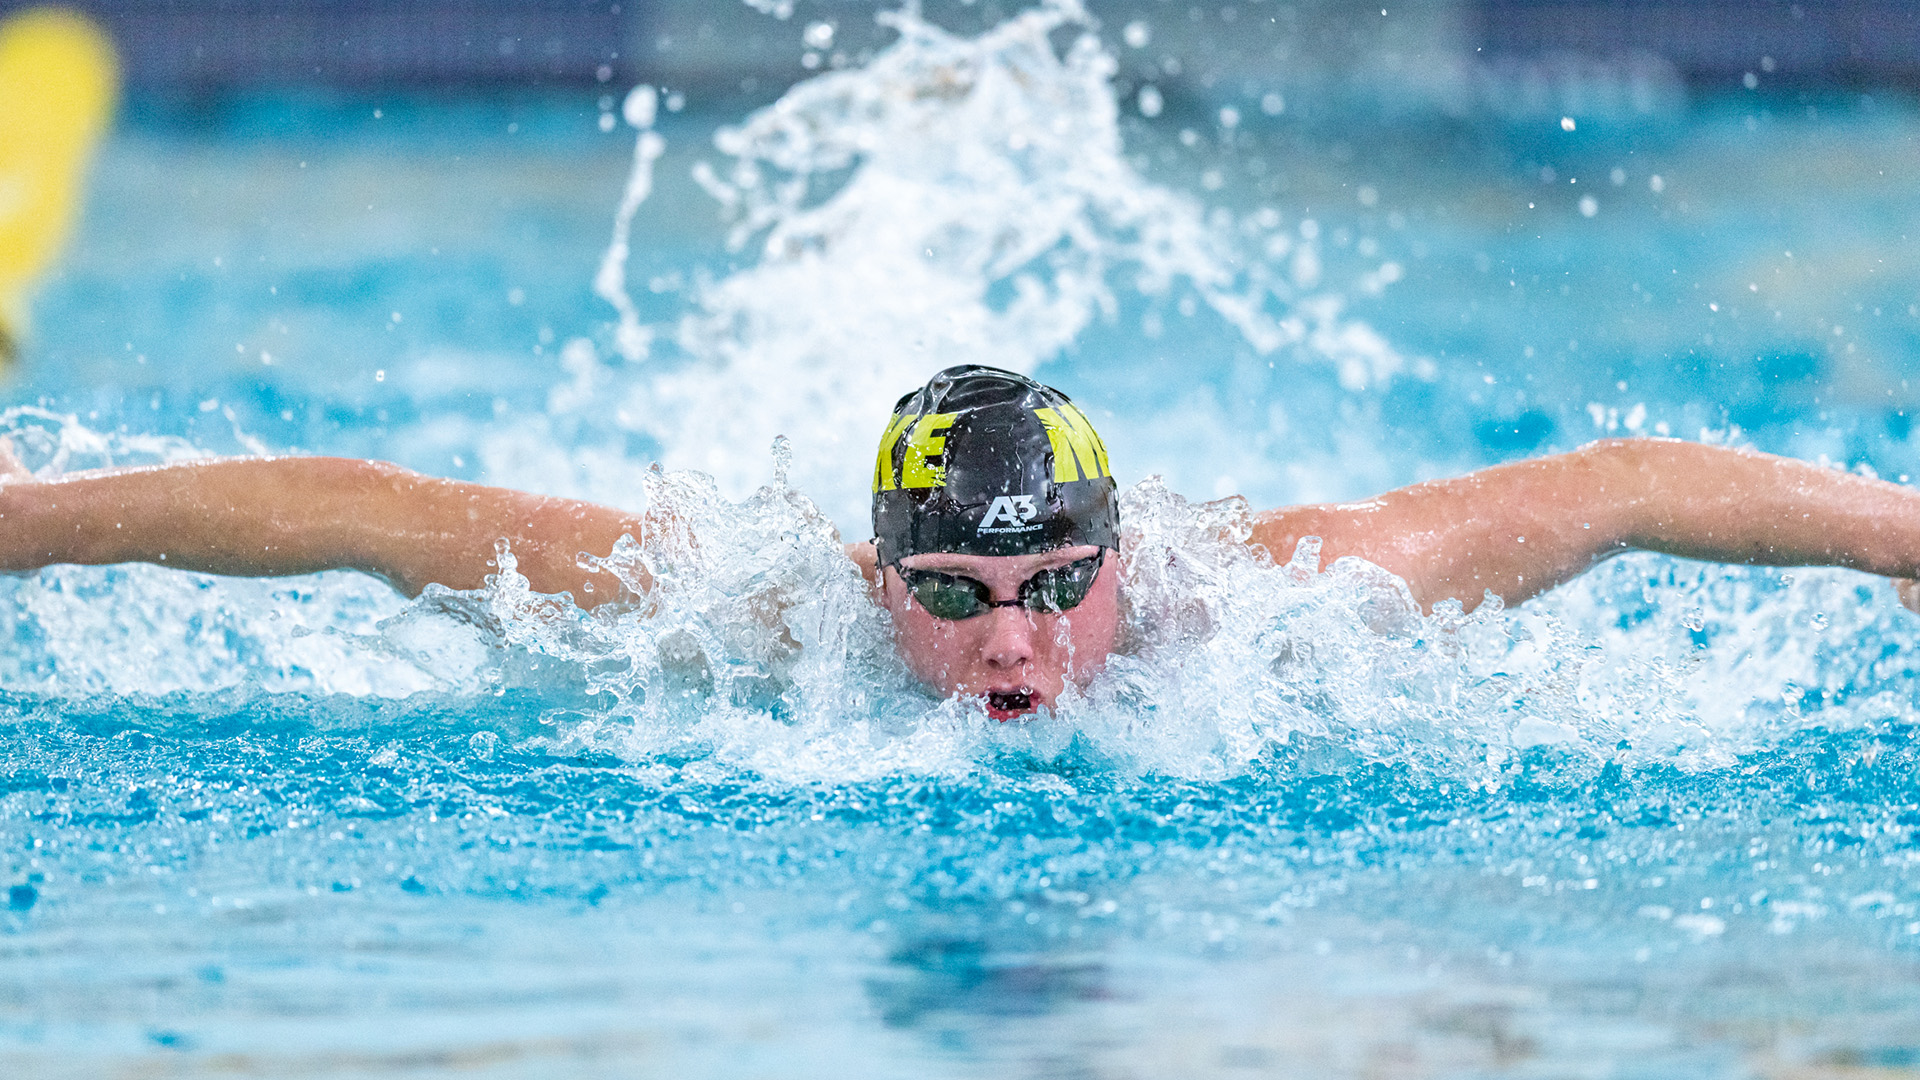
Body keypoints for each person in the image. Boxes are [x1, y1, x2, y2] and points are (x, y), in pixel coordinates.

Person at [1, 364, 1918, 720]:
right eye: (958, 600)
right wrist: (27, 530)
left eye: (1052, 593)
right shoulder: (747, 614)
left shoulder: (1263, 603)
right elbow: (356, 516)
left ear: (1113, 562)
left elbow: (1633, 484)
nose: (1017, 651)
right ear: (877, 575)